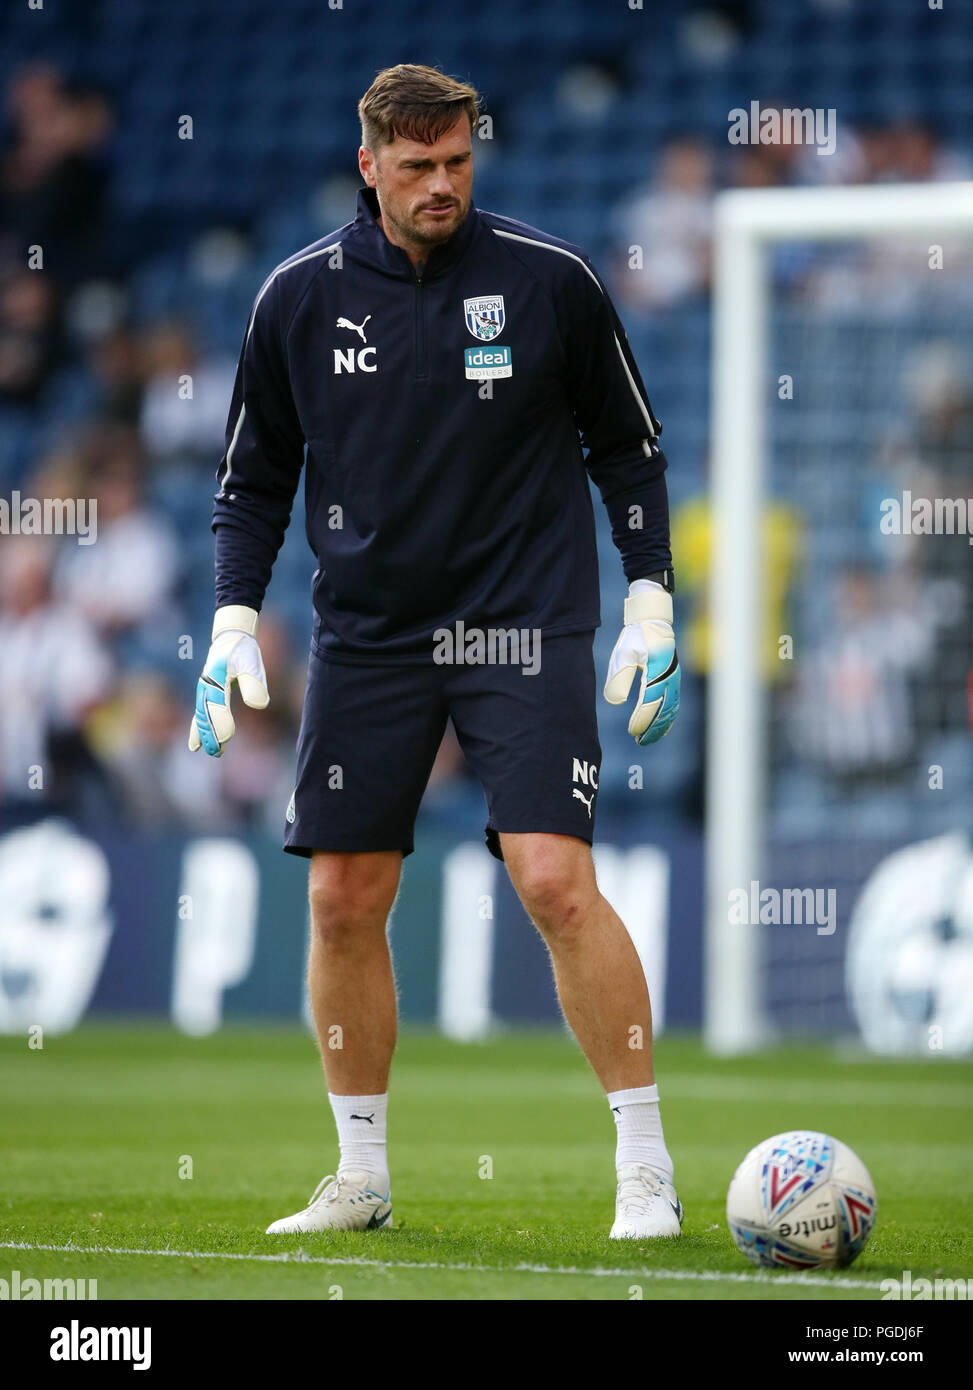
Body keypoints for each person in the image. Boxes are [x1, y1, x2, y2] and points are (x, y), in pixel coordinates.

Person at [189, 65, 682, 1240]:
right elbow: (251, 483)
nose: (441, 183)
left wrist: (652, 603)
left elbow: (630, 450)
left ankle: (645, 1164)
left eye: (458, 160)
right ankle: (360, 1173)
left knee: (554, 881)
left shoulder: (551, 280)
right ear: (369, 166)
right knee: (343, 896)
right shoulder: (295, 299)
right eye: (416, 166)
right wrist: (229, 620)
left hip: (522, 616)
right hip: (369, 632)